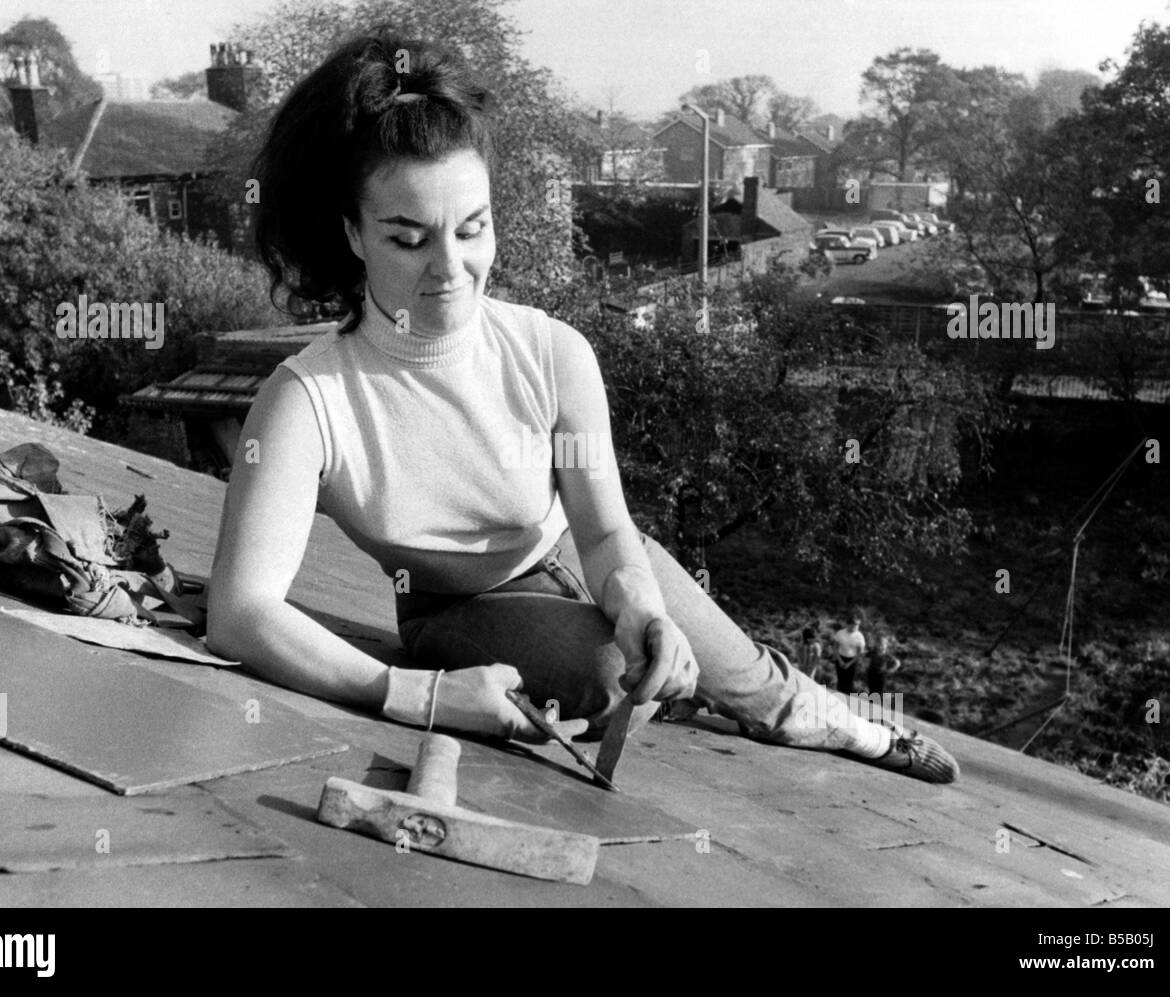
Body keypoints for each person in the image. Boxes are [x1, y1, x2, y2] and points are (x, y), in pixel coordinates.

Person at [205, 27, 958, 783]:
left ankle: (844, 724)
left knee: (758, 689)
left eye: (473, 229)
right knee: (605, 671)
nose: (450, 269)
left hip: (574, 556)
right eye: (408, 239)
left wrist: (636, 604)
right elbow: (240, 612)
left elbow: (603, 531)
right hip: (455, 605)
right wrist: (419, 692)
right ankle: (674, 686)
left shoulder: (553, 352)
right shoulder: (307, 400)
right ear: (353, 235)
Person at [831, 614, 866, 696]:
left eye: (858, 625)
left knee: (849, 682)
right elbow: (835, 647)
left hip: (852, 661)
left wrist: (849, 663)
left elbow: (860, 653)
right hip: (840, 658)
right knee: (840, 680)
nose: (856, 626)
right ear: (849, 624)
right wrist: (839, 660)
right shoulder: (840, 633)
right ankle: (838, 698)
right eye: (855, 624)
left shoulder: (859, 636)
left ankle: (847, 701)